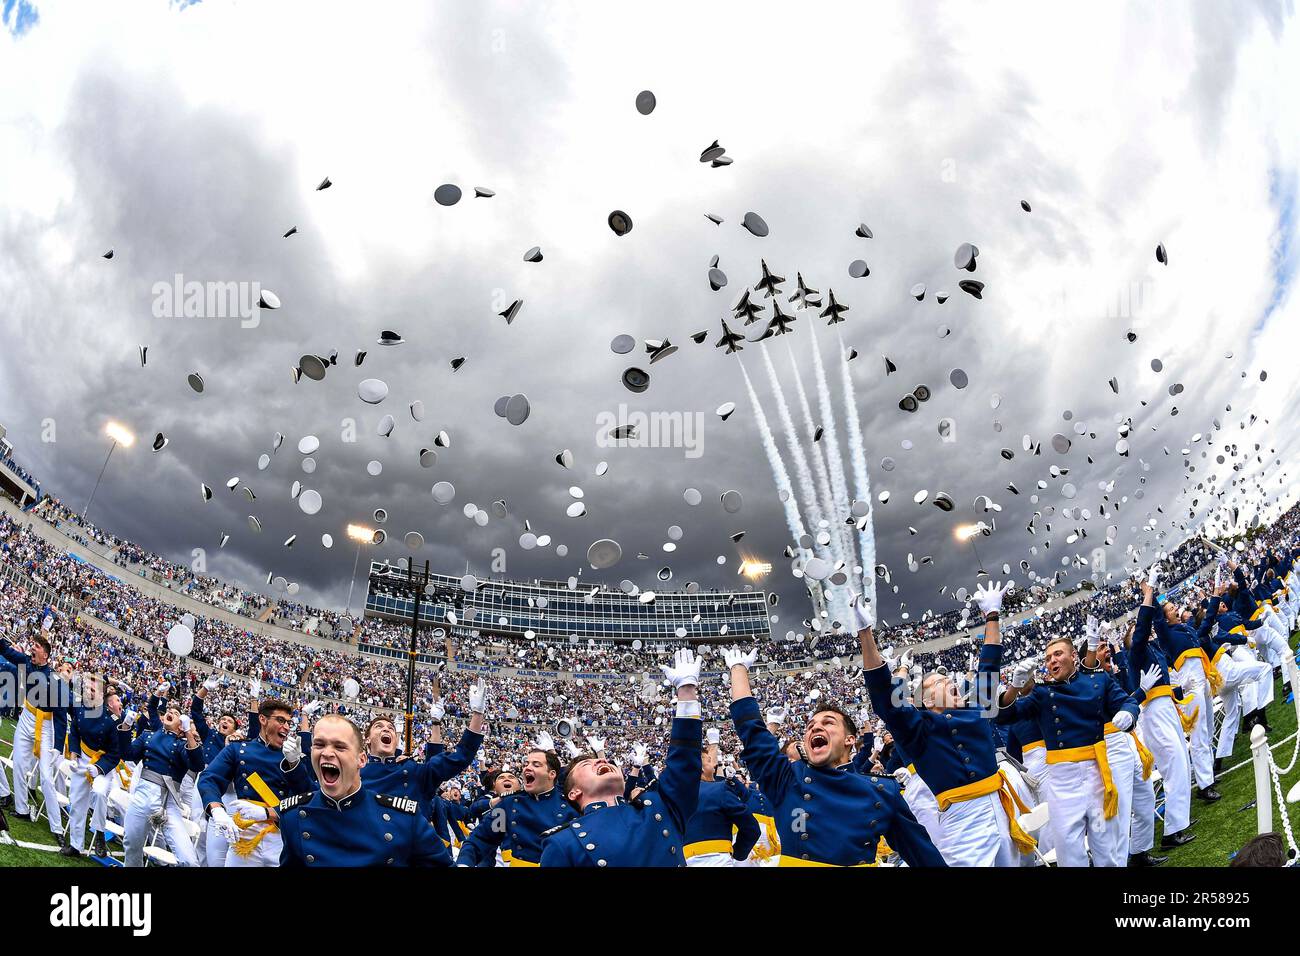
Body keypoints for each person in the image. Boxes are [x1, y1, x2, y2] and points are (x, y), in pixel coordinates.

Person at [724, 635, 947, 868]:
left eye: (828, 722)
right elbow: (753, 732)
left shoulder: (882, 791)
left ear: (850, 740)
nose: (816, 727)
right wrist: (738, 670)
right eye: (810, 726)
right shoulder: (788, 779)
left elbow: (924, 857)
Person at [860, 582, 1033, 866]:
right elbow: (885, 700)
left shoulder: (976, 709)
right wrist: (866, 635)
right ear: (926, 701)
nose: (951, 683)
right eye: (940, 683)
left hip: (1001, 806)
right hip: (962, 817)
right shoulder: (917, 727)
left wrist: (992, 615)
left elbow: (989, 664)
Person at [995, 603, 1142, 867]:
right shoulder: (1041, 694)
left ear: (1074, 656)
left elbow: (1126, 702)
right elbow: (1002, 716)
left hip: (1097, 775)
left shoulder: (1098, 680)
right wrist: (1014, 687)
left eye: (1058, 654)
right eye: (1048, 657)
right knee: (1069, 853)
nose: (1052, 660)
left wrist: (1130, 714)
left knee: (1105, 848)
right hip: (1061, 783)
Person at [540, 649, 703, 867]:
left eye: (603, 760)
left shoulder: (659, 807)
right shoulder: (563, 843)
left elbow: (685, 765)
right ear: (573, 792)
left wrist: (686, 691)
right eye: (588, 764)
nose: (602, 761)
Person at [278, 714, 447, 867]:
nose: (327, 753)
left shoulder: (404, 818)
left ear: (361, 759)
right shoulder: (293, 817)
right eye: (319, 744)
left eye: (339, 747)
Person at [198, 697, 316, 867]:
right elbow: (209, 778)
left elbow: (307, 795)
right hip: (245, 833)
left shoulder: (293, 757)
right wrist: (217, 810)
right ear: (262, 719)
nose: (287, 727)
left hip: (282, 835)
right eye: (281, 720)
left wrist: (295, 764)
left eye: (289, 722)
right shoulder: (238, 749)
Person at [1126, 581, 1194, 852]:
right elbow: (1141, 632)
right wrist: (1148, 596)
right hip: (1153, 715)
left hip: (1166, 708)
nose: (1142, 633)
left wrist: (1179, 690)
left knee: (1181, 763)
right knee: (1174, 765)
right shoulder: (1137, 652)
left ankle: (1179, 823)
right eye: (1135, 633)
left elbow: (1161, 687)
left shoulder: (1151, 650)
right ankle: (1171, 833)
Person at [457, 739, 577, 867]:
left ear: (552, 774)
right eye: (526, 764)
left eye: (536, 764)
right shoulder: (510, 804)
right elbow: (482, 839)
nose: (527, 768)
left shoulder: (571, 801)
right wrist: (464, 863)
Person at [0, 629, 70, 842]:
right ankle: (21, 809)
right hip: (27, 718)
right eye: (32, 646)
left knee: (47, 779)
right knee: (20, 764)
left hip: (46, 725)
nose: (32, 648)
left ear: (45, 655)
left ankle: (57, 828)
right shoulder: (28, 663)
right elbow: (7, 651)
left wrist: (58, 746)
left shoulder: (55, 680)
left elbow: (60, 716)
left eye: (36, 647)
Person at [119, 699, 205, 866]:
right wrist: (126, 726)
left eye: (176, 713)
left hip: (168, 803)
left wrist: (188, 733)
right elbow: (127, 753)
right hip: (142, 794)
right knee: (131, 843)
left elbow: (197, 765)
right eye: (169, 711)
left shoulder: (181, 745)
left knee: (188, 859)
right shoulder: (148, 735)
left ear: (181, 726)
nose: (170, 712)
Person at [62, 674, 124, 858]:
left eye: (92, 690)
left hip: (102, 764)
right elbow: (74, 732)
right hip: (81, 760)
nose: (88, 692)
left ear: (102, 693)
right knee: (76, 800)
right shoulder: (81, 708)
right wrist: (74, 756)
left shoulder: (113, 720)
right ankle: (75, 844)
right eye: (86, 688)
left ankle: (99, 834)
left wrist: (98, 769)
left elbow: (115, 753)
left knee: (98, 793)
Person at [681, 736, 760, 866]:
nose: (714, 764)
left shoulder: (678, 794)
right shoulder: (720, 789)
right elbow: (751, 827)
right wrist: (738, 853)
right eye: (709, 761)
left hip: (684, 860)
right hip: (717, 859)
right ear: (700, 768)